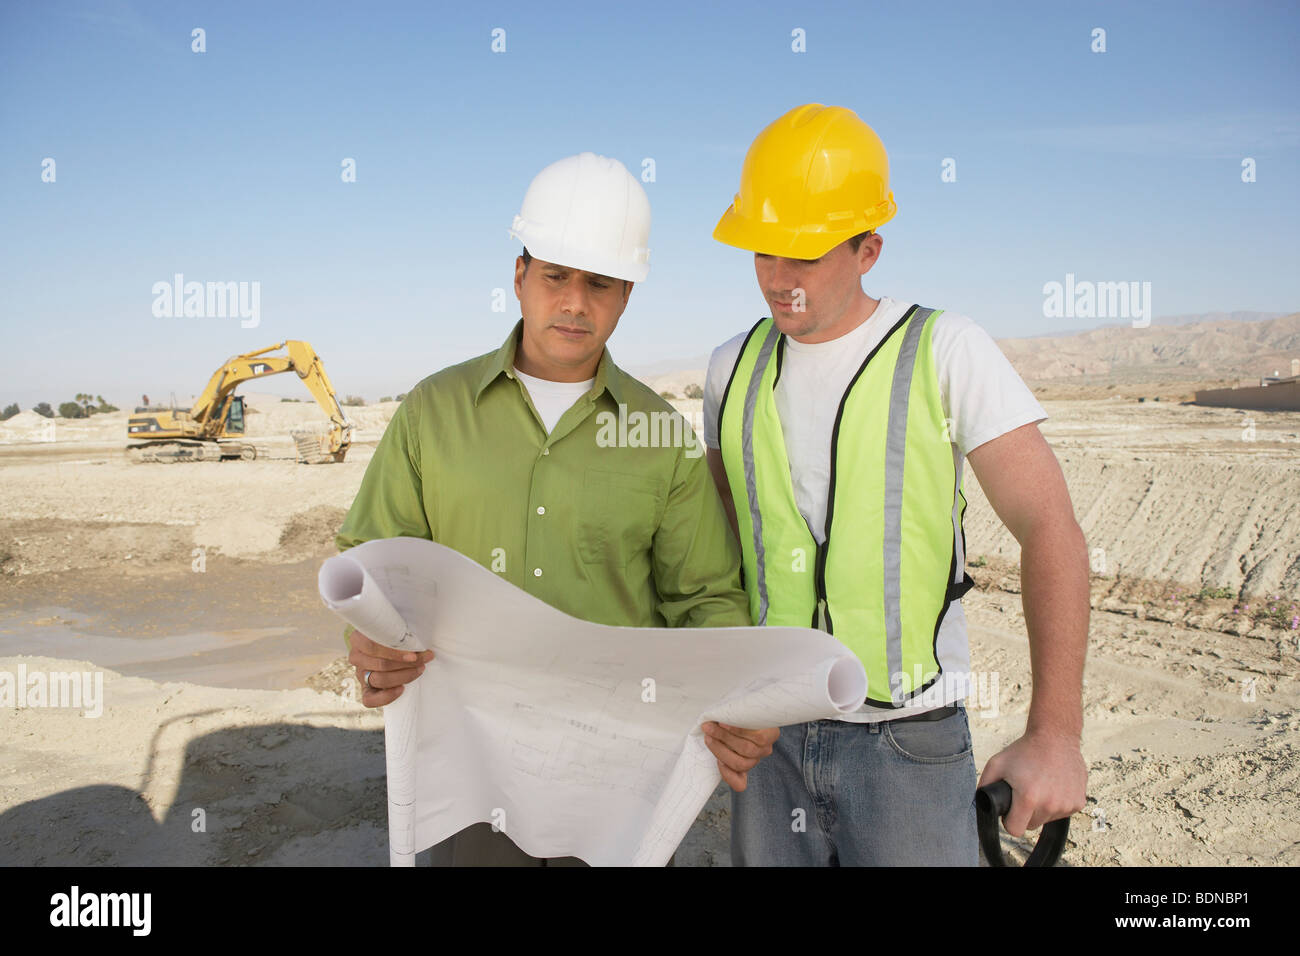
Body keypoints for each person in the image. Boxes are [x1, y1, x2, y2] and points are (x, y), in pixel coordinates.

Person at [334, 152, 779, 866]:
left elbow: (705, 596)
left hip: (615, 773)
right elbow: (371, 568)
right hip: (465, 763)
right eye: (555, 276)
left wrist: (737, 695)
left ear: (627, 292)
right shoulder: (432, 412)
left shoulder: (660, 436)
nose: (575, 302)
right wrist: (368, 641)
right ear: (519, 277)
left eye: (599, 283)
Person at [704, 104, 1089, 866]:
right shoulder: (729, 367)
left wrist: (1055, 734)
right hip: (768, 736)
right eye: (761, 253)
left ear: (868, 248)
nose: (778, 281)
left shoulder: (946, 350)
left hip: (908, 741)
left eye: (803, 255)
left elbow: (1050, 528)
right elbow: (716, 550)